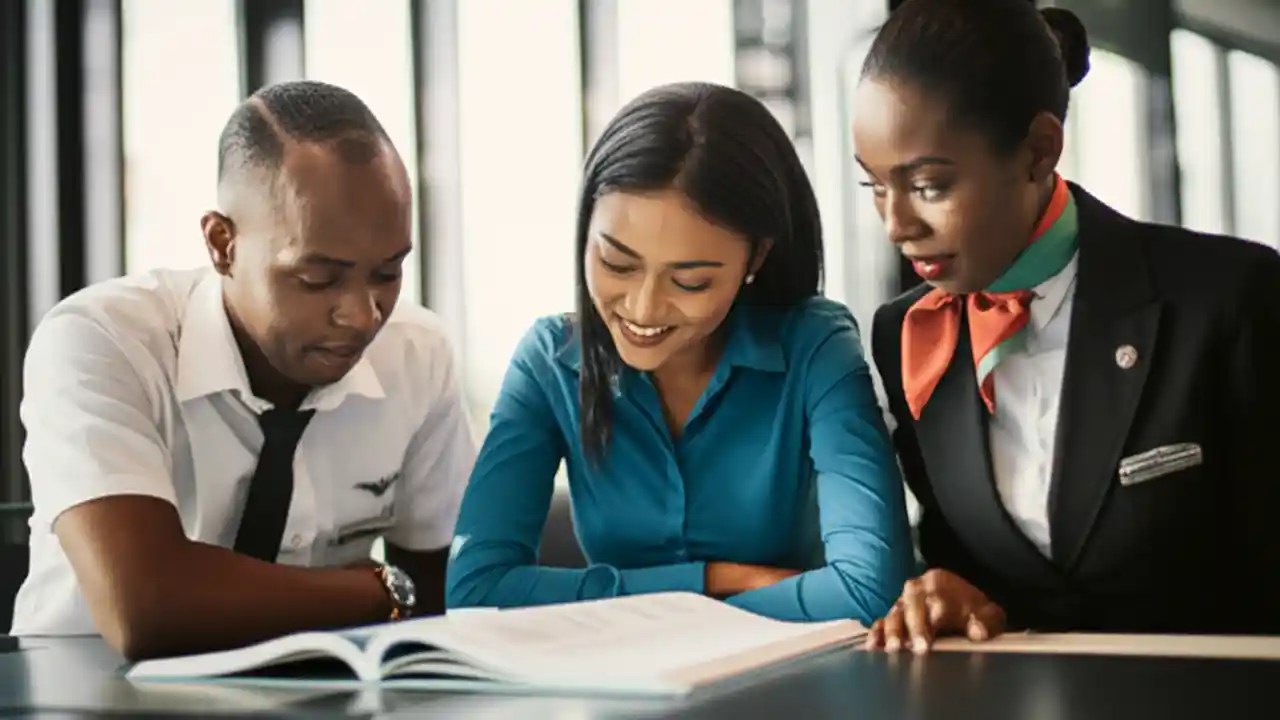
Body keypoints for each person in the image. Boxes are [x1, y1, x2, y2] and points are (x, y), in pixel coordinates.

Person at [854, 0, 1280, 653]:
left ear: (1038, 151)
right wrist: (950, 593)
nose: (897, 225)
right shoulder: (904, 333)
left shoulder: (1229, 299)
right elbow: (962, 553)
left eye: (930, 186)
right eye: (877, 187)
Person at [10, 81, 476, 659]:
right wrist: (373, 589)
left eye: (387, 273)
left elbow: (445, 593)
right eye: (318, 278)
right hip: (83, 692)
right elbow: (148, 609)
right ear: (222, 243)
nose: (362, 314)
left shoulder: (416, 355)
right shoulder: (101, 342)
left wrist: (386, 595)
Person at [445, 82, 915, 623]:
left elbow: (870, 591)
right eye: (617, 264)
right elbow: (476, 591)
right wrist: (712, 580)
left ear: (754, 258)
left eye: (689, 282)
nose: (643, 309)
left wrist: (632, 604)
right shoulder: (551, 360)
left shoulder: (815, 347)